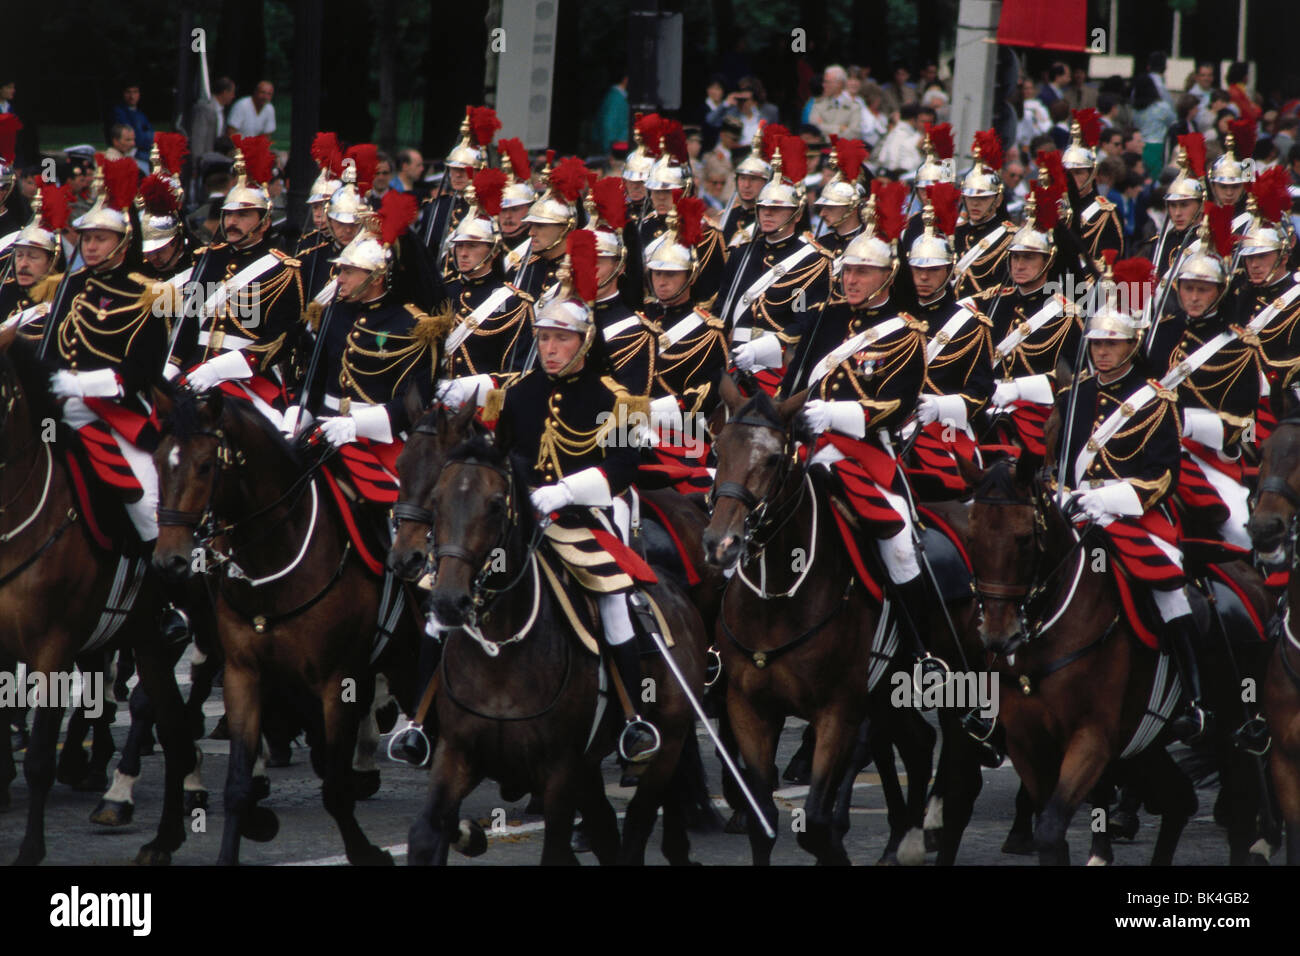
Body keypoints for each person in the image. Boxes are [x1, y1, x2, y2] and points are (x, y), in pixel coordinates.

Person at [486, 234, 663, 764]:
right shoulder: (515, 393)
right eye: (543, 340)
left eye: (560, 340)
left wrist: (565, 490)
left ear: (583, 343)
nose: (549, 349)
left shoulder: (619, 399)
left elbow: (628, 466)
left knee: (612, 600)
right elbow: (502, 453)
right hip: (526, 516)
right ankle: (421, 717)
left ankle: (634, 718)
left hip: (592, 513)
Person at [1048, 285, 1209, 743]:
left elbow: (1162, 478)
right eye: (1096, 343)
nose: (1102, 352)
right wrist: (1060, 494)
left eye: (1111, 343)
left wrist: (1110, 498)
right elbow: (1060, 461)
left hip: (1136, 515)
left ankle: (1196, 700)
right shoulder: (1075, 395)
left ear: (1132, 345)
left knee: (1170, 589)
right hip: (1079, 511)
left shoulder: (1155, 400)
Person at [45, 158, 163, 549]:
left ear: (124, 242)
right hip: (59, 410)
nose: (90, 246)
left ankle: (176, 599)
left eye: (100, 239)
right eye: (87, 238)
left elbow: (142, 371)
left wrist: (77, 383)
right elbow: (49, 347)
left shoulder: (150, 292)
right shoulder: (69, 283)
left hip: (117, 414)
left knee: (148, 511)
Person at [165, 139, 306, 429]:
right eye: (229, 214)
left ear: (264, 222)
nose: (232, 222)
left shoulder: (282, 270)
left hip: (245, 377)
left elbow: (278, 341)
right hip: (192, 369)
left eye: (243, 215)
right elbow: (188, 322)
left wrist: (219, 369)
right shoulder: (208, 259)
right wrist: (172, 365)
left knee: (274, 436)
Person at [716, 133, 832, 386]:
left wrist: (764, 349)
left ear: (796, 213)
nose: (767, 214)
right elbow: (722, 306)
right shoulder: (741, 252)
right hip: (733, 352)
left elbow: (803, 320)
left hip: (777, 359)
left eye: (777, 209)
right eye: (763, 208)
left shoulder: (810, 261)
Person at [952, 129, 1015, 300]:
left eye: (983, 198)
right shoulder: (955, 231)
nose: (975, 203)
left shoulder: (1009, 238)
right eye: (970, 198)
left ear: (998, 199)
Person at [190, 77, 236, 178]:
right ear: (224, 92)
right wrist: (195, 165)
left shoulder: (221, 111)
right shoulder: (205, 109)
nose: (233, 96)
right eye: (232, 93)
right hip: (203, 160)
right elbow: (198, 138)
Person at [1132, 74, 1176, 176]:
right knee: (1156, 176)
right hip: (1158, 146)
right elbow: (1173, 122)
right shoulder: (1162, 107)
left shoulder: (1135, 109)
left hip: (1140, 145)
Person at [809, 65, 863, 142]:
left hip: (844, 150)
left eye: (827, 82)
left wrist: (825, 129)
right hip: (823, 150)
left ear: (839, 84)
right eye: (824, 82)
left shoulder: (854, 106)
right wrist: (840, 128)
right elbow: (814, 128)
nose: (824, 85)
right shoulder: (818, 105)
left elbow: (855, 134)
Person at [111, 83, 154, 165]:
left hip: (143, 150)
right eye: (128, 92)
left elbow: (151, 135)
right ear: (123, 94)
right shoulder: (119, 112)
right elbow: (136, 138)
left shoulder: (140, 114)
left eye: (135, 92)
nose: (132, 96)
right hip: (131, 152)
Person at [593, 74, 629, 156]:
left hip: (618, 143)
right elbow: (608, 123)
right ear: (625, 79)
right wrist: (608, 148)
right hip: (615, 146)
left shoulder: (621, 96)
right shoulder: (615, 98)